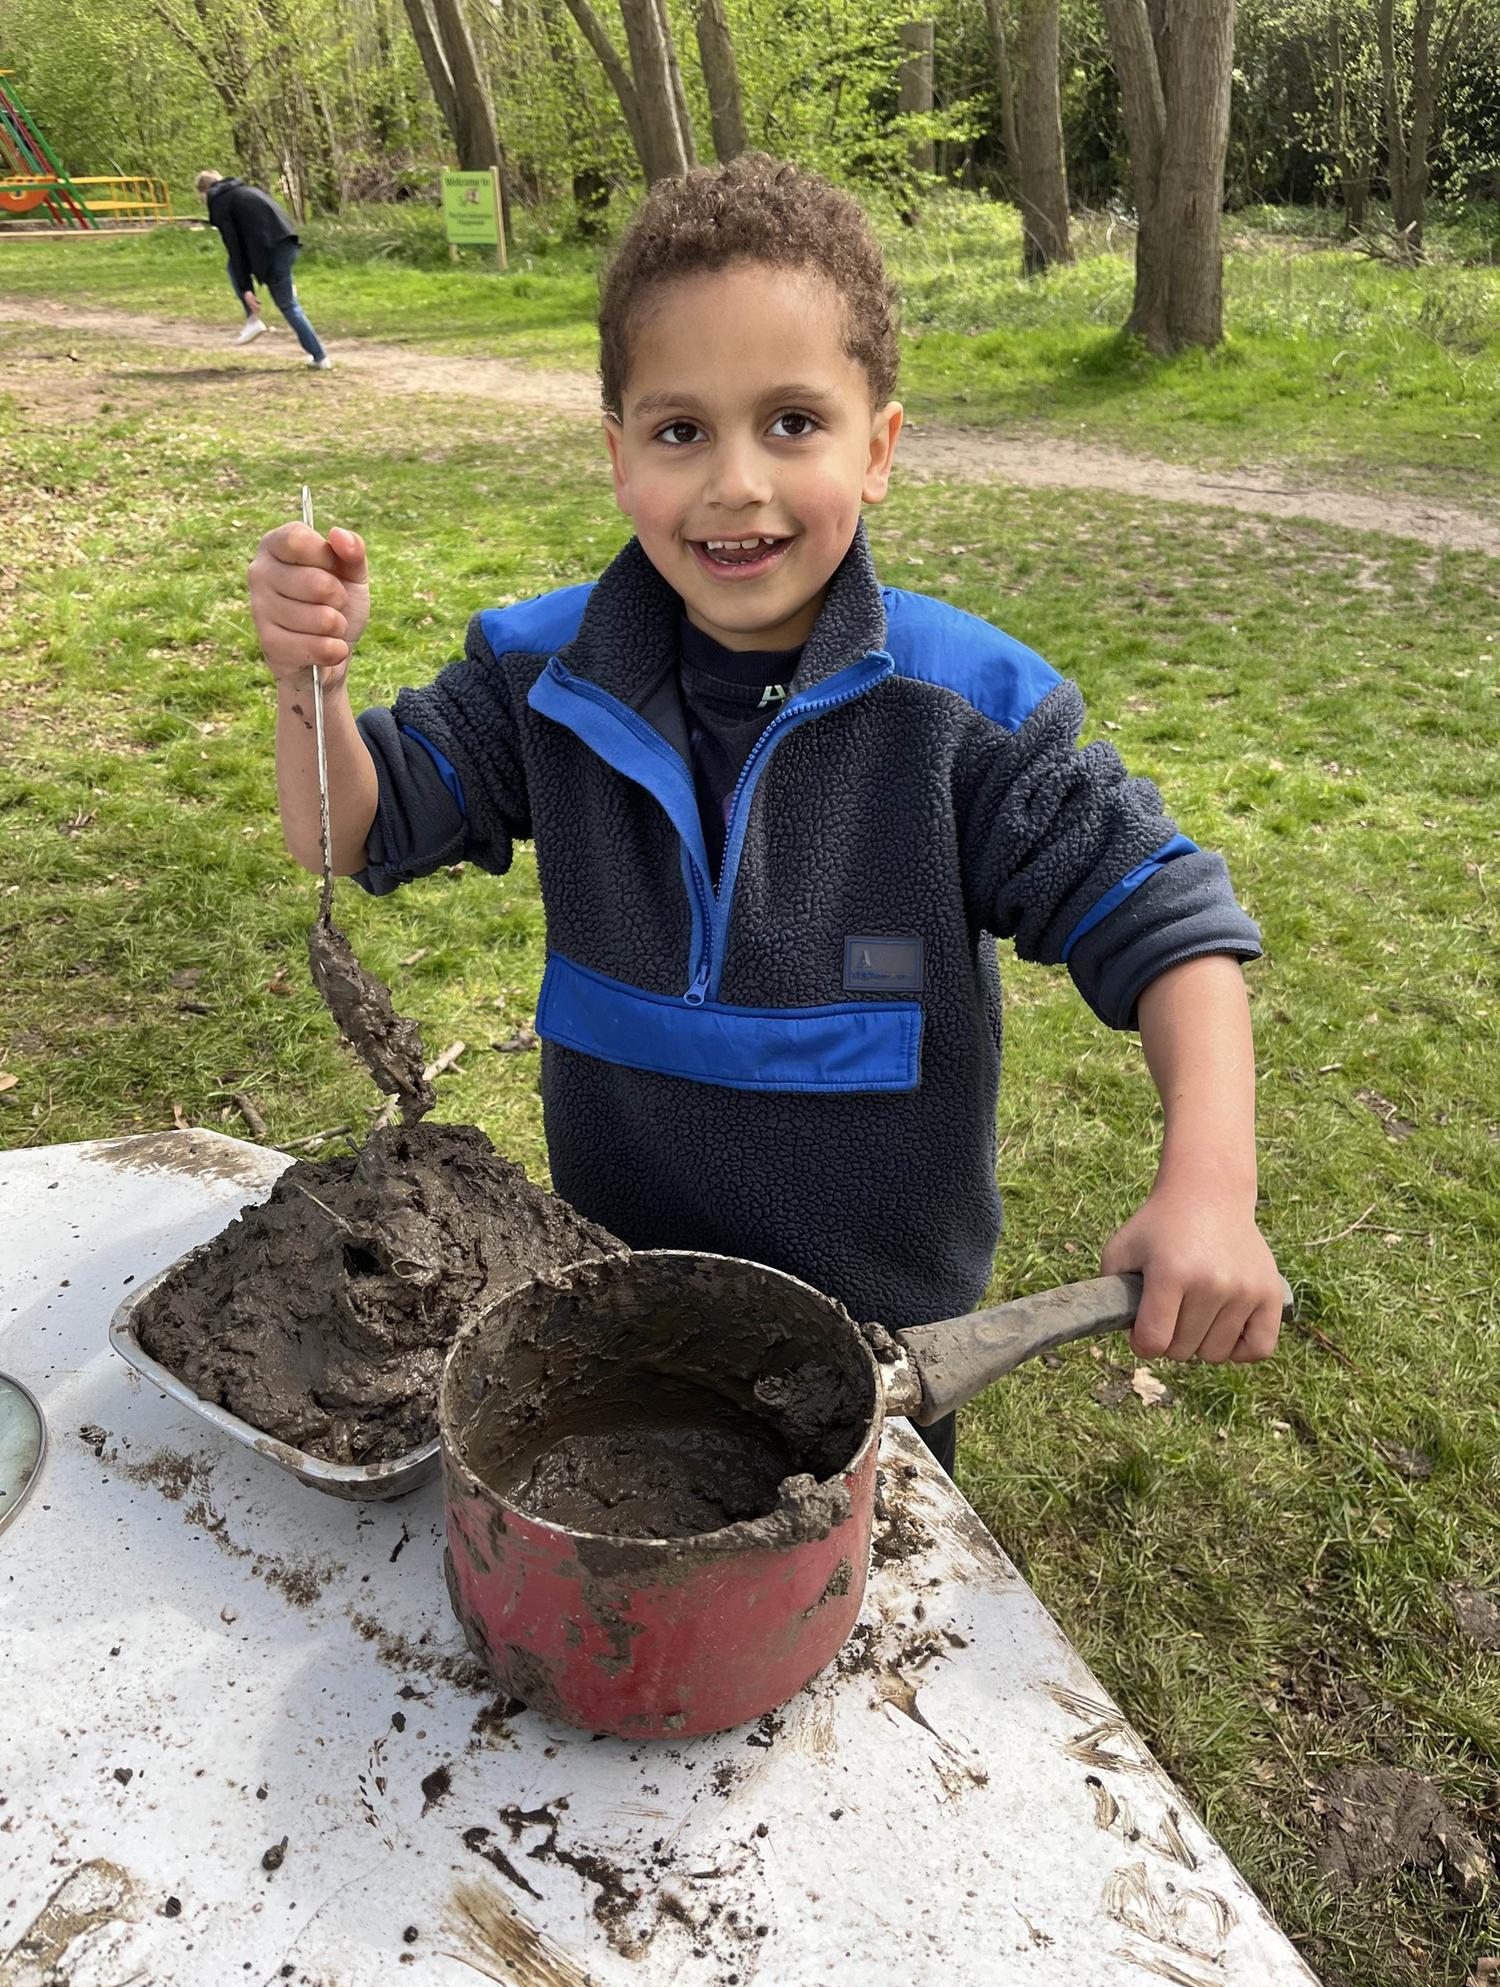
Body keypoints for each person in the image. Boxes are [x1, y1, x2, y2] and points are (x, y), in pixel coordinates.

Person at [248, 155, 1285, 1479]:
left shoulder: (963, 711)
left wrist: (1211, 1185)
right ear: (618, 455)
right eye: (681, 432)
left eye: (792, 422)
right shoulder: (537, 678)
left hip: (881, 1368)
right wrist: (307, 685)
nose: (736, 484)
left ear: (880, 447)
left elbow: (1172, 928)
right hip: (610, 1314)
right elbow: (349, 832)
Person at [196, 170, 331, 370]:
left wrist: (246, 289)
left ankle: (319, 356)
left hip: (271, 251)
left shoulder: (220, 203)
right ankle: (316, 355)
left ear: (204, 191)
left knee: (288, 306)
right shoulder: (243, 190)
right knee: (235, 268)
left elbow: (234, 246)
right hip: (287, 242)